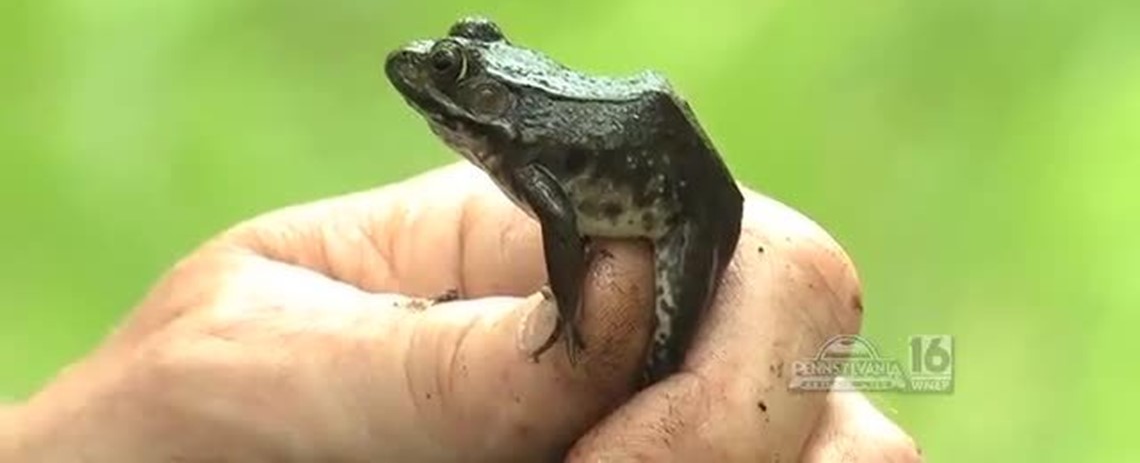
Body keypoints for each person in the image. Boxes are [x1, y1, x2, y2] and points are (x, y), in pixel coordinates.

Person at [3, 163, 921, 461]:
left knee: (661, 352)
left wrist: (572, 309)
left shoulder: (523, 168)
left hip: (675, 191)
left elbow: (563, 219)